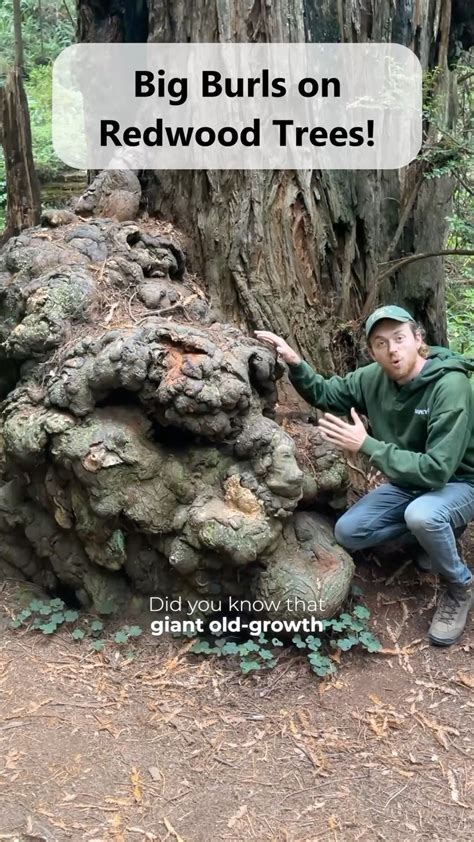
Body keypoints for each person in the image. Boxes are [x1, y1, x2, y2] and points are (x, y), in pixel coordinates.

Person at [255, 305, 474, 647]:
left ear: (418, 339)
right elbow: (327, 394)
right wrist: (296, 364)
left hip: (458, 482)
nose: (393, 350)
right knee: (348, 532)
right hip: (409, 483)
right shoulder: (374, 378)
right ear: (372, 351)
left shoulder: (451, 386)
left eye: (400, 338)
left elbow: (437, 469)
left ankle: (459, 586)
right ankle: (429, 535)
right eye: (381, 343)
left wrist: (367, 444)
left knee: (424, 515)